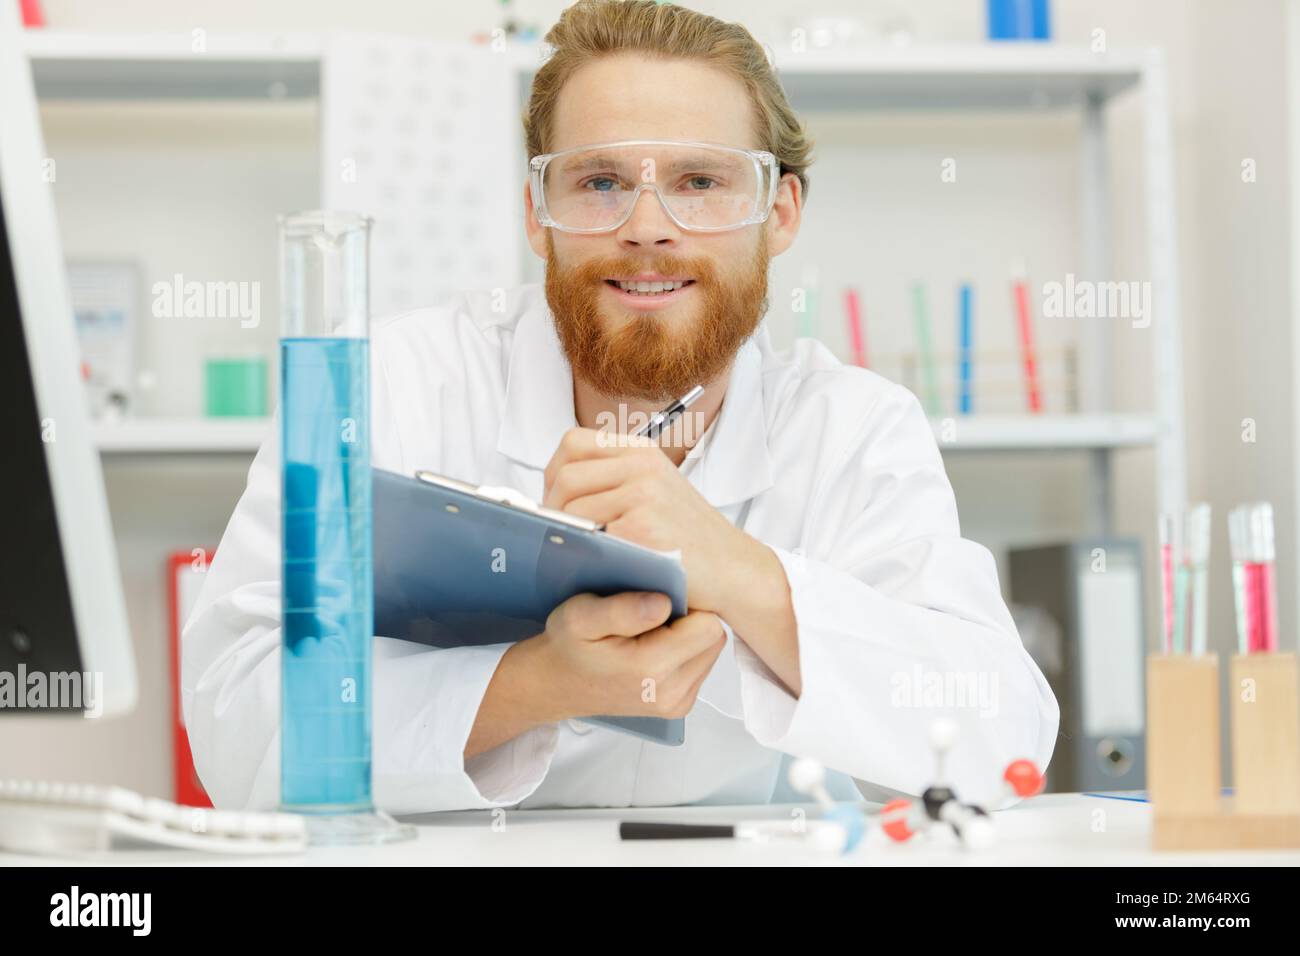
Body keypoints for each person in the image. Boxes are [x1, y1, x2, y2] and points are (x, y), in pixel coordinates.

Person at [183, 0, 1058, 813]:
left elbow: (1004, 744)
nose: (647, 225)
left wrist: (742, 573)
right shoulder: (387, 384)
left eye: (700, 181)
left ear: (779, 211)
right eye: (599, 181)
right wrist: (537, 684)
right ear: (538, 211)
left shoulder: (852, 429)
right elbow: (235, 720)